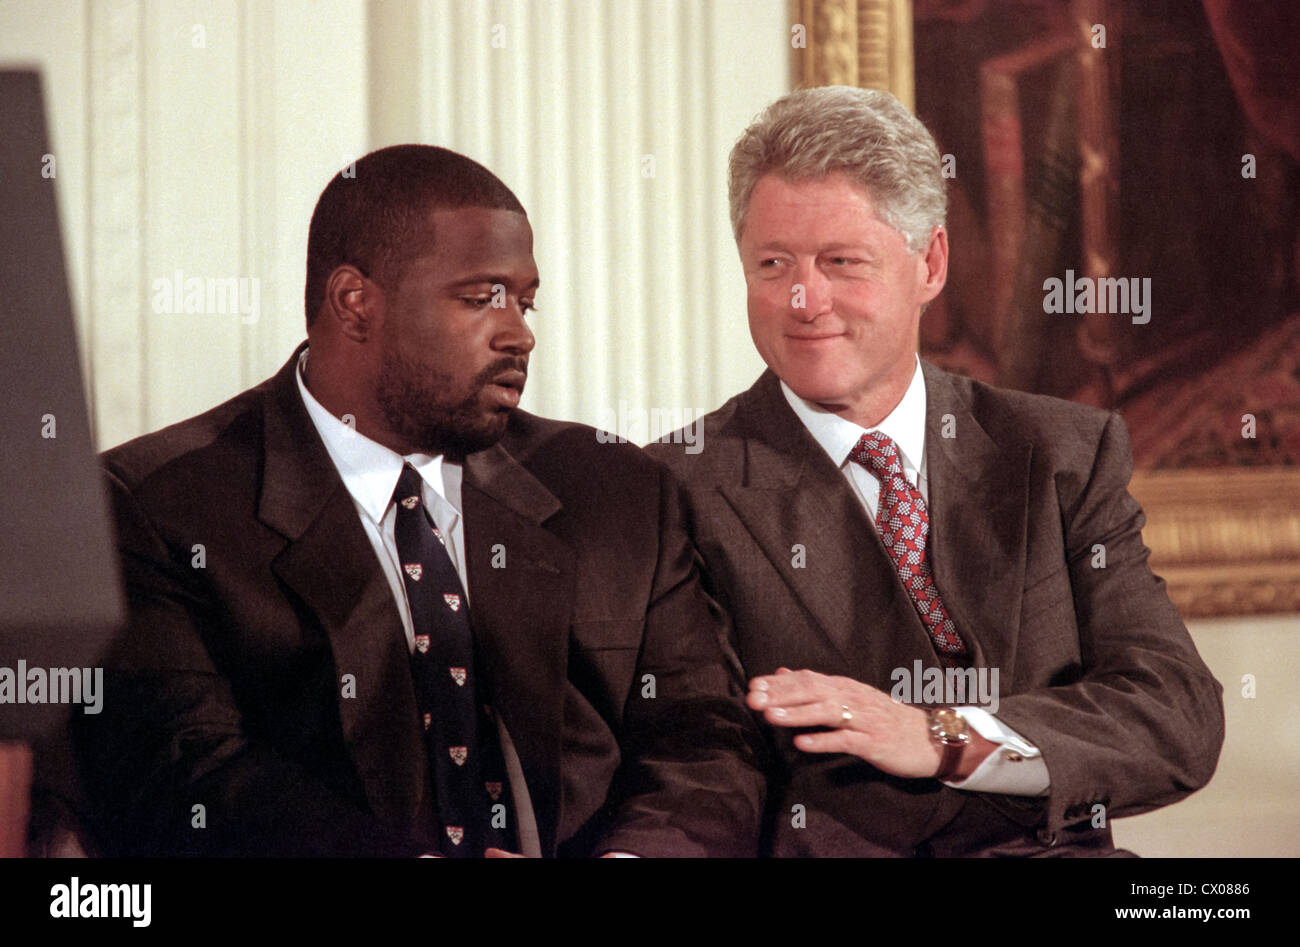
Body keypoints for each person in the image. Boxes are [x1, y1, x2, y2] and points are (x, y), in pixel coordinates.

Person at [73, 145, 764, 858]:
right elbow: (193, 775)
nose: (520, 333)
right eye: (481, 298)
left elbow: (704, 743)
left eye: (525, 301)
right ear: (355, 303)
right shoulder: (156, 506)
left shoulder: (615, 487)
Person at [646, 87, 1224, 857]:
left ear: (932, 263)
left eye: (842, 262)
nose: (803, 299)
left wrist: (943, 737)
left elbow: (1176, 711)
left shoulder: (1061, 452)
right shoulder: (675, 486)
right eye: (773, 264)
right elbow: (696, 765)